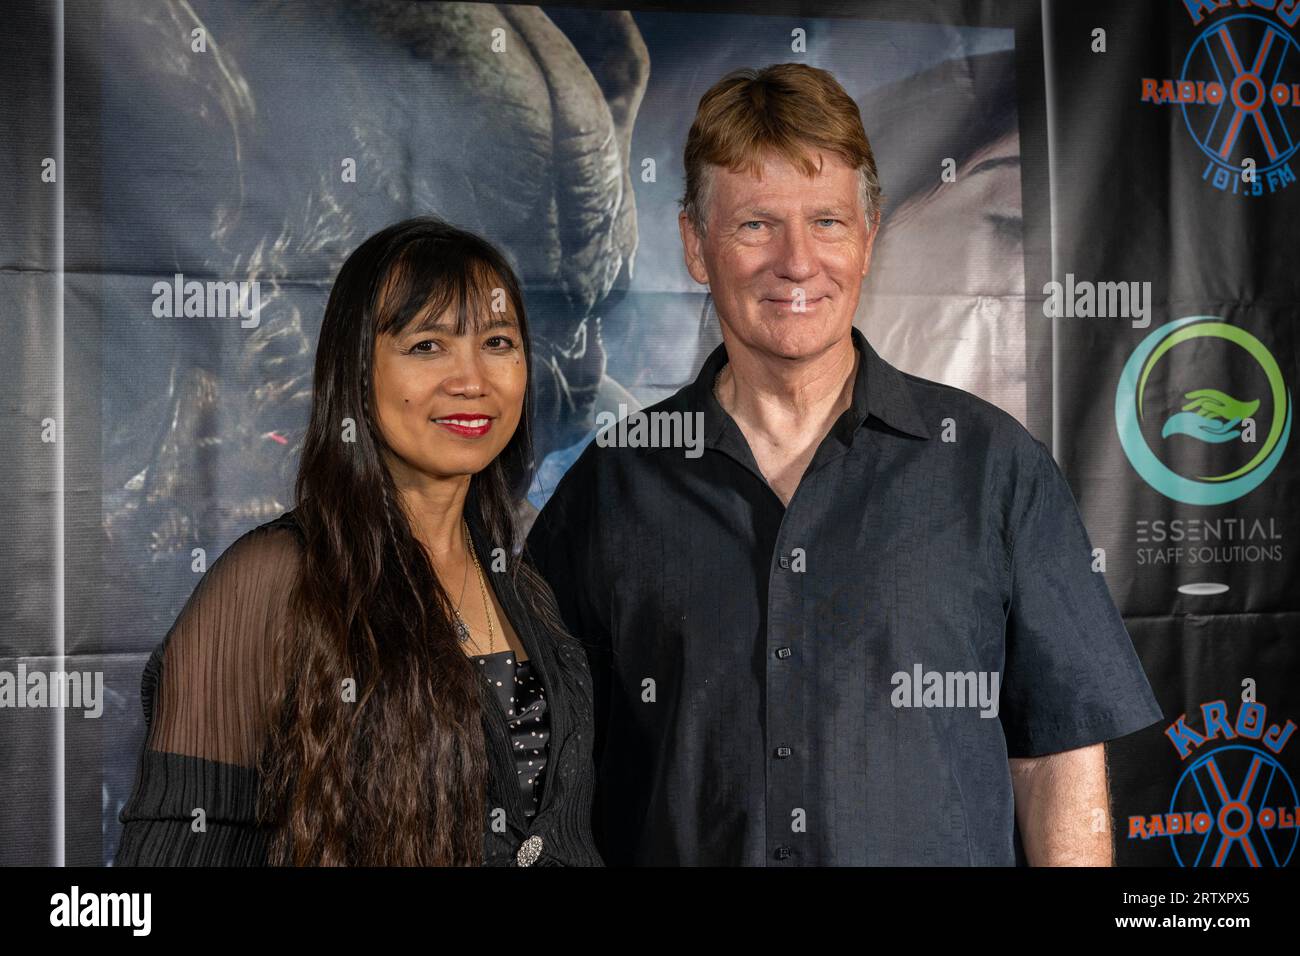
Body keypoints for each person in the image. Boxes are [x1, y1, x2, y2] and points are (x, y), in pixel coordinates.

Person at [526, 64, 1163, 866]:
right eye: (756, 224)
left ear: (868, 236)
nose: (797, 263)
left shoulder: (996, 469)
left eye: (826, 221)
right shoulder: (611, 485)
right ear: (695, 243)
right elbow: (550, 771)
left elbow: (1057, 764)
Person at [117, 216, 601, 866]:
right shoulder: (273, 579)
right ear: (357, 372)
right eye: (428, 345)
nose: (472, 379)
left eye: (498, 342)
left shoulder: (520, 584)